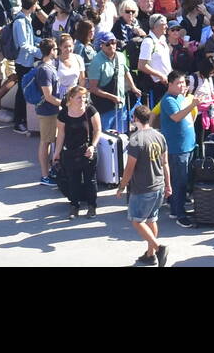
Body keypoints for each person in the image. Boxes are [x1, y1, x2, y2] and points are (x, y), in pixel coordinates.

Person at [116, 103, 171, 267]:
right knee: (151, 219)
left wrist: (121, 186)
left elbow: (129, 168)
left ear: (135, 119)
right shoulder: (159, 136)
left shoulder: (136, 140)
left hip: (142, 188)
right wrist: (168, 184)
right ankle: (150, 254)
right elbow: (165, 163)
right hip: (159, 185)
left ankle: (158, 248)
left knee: (137, 221)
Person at [53, 84, 101, 218]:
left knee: (90, 180)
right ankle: (74, 206)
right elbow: (61, 134)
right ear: (71, 98)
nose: (83, 100)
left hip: (87, 151)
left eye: (84, 97)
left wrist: (93, 146)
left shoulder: (90, 110)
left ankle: (92, 206)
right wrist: (57, 152)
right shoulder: (63, 114)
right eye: (79, 97)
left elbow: (97, 130)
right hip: (70, 152)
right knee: (72, 180)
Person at [158, 70, 197, 226]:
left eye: (183, 82)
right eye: (179, 83)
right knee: (179, 182)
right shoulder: (168, 100)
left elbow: (188, 117)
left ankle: (175, 205)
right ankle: (178, 213)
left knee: (184, 180)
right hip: (177, 148)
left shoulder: (181, 97)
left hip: (188, 145)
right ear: (170, 84)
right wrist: (193, 105)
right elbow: (176, 117)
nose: (182, 86)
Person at [87, 31, 138, 126]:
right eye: (107, 44)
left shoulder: (121, 56)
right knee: (106, 137)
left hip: (121, 105)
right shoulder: (96, 62)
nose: (111, 46)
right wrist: (112, 97)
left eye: (113, 42)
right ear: (101, 45)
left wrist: (133, 87)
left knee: (122, 134)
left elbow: (126, 72)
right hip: (105, 107)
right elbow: (93, 88)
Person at [31, 37, 63, 185]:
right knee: (46, 142)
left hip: (52, 110)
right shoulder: (45, 70)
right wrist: (63, 104)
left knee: (51, 140)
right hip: (48, 111)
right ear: (51, 51)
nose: (58, 51)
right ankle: (45, 175)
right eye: (56, 49)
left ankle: (50, 171)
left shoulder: (50, 66)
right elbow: (48, 96)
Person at [11, 0, 39, 134]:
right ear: (32, 5)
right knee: (22, 92)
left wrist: (41, 42)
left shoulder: (27, 18)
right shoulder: (20, 21)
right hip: (22, 62)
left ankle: (22, 119)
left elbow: (31, 38)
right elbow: (23, 44)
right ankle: (18, 122)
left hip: (27, 60)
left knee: (24, 90)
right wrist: (39, 52)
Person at [138, 13, 173, 105]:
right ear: (156, 26)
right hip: (155, 85)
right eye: (164, 24)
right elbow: (142, 65)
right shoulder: (148, 42)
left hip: (166, 82)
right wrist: (160, 75)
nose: (166, 26)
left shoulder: (162, 39)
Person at [55, 33, 85, 98]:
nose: (68, 49)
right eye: (65, 47)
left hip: (75, 94)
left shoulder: (78, 58)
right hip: (59, 95)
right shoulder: (55, 61)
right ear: (60, 47)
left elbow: (82, 79)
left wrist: (79, 94)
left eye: (70, 46)